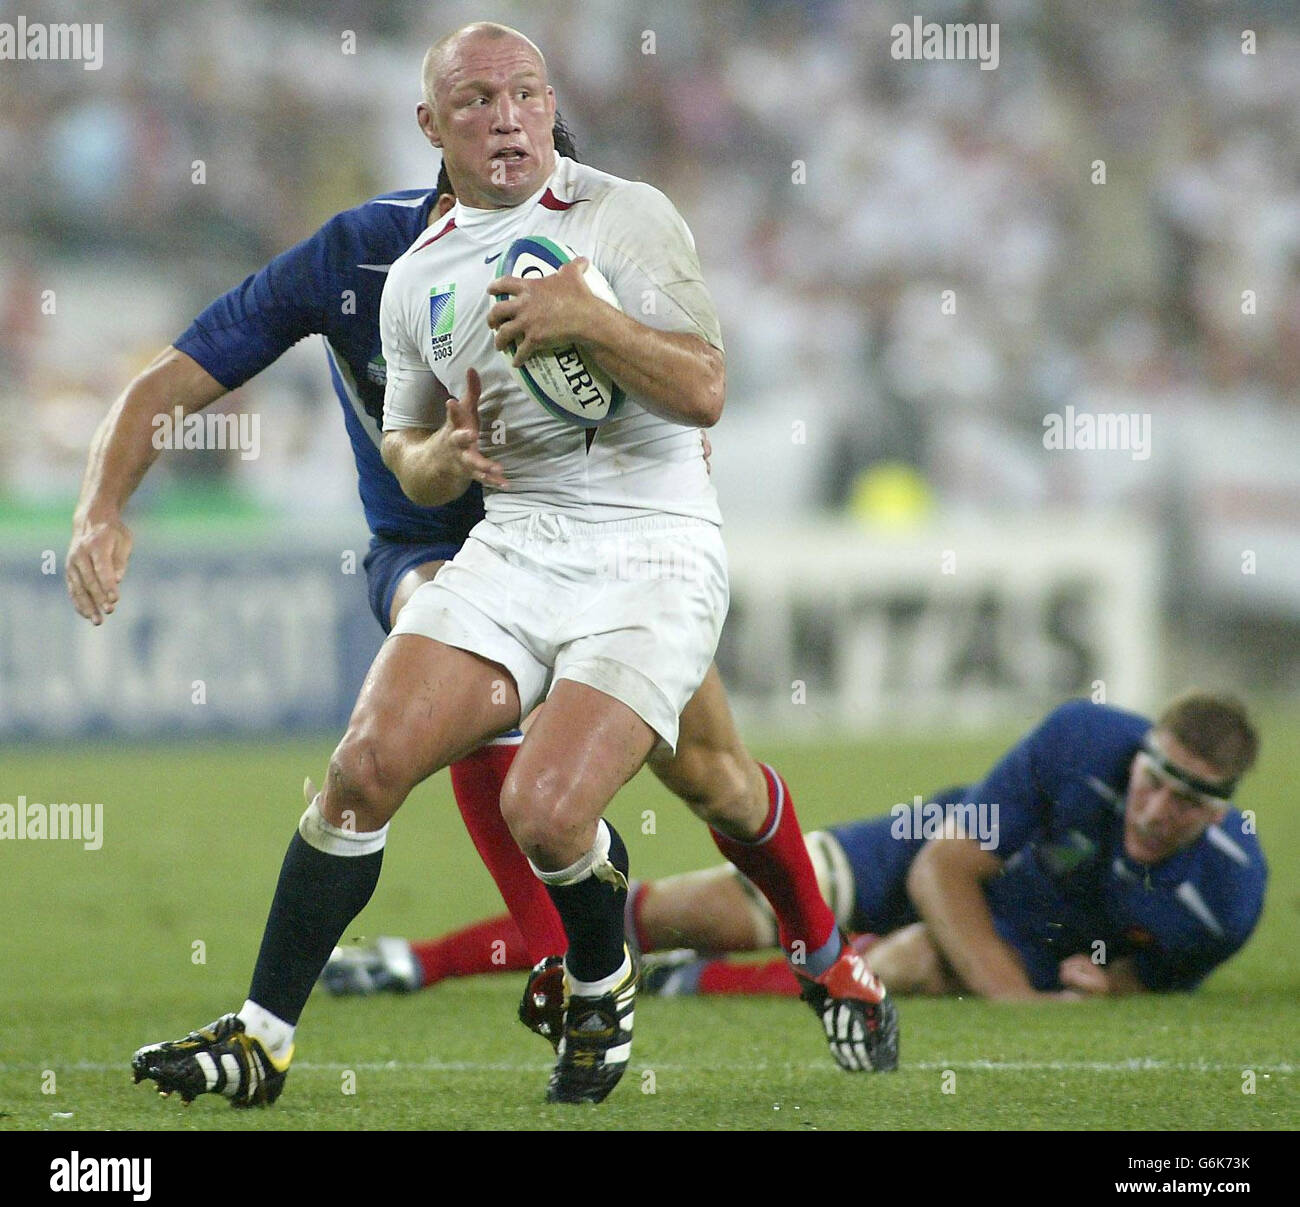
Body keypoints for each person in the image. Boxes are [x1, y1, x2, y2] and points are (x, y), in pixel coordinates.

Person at [121, 22, 896, 1109]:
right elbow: (409, 449)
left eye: (525, 93)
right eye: (478, 99)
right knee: (363, 767)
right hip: (516, 541)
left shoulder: (625, 217)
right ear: (431, 126)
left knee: (575, 804)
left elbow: (704, 388)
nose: (507, 117)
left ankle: (703, 960)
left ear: (549, 106)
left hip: (652, 547)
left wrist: (589, 318)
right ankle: (261, 1037)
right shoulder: (410, 272)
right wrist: (437, 458)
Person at [324, 694, 1267, 1001]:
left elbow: (1159, 976)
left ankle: (692, 984)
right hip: (937, 844)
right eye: (1153, 776)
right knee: (719, 903)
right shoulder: (1085, 740)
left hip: (1028, 921)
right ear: (1140, 753)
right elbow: (946, 864)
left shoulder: (1226, 900)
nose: (1152, 806)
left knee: (898, 967)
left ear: (1220, 813)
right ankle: (421, 959)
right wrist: (1023, 1006)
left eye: (1183, 801)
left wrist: (1117, 988)